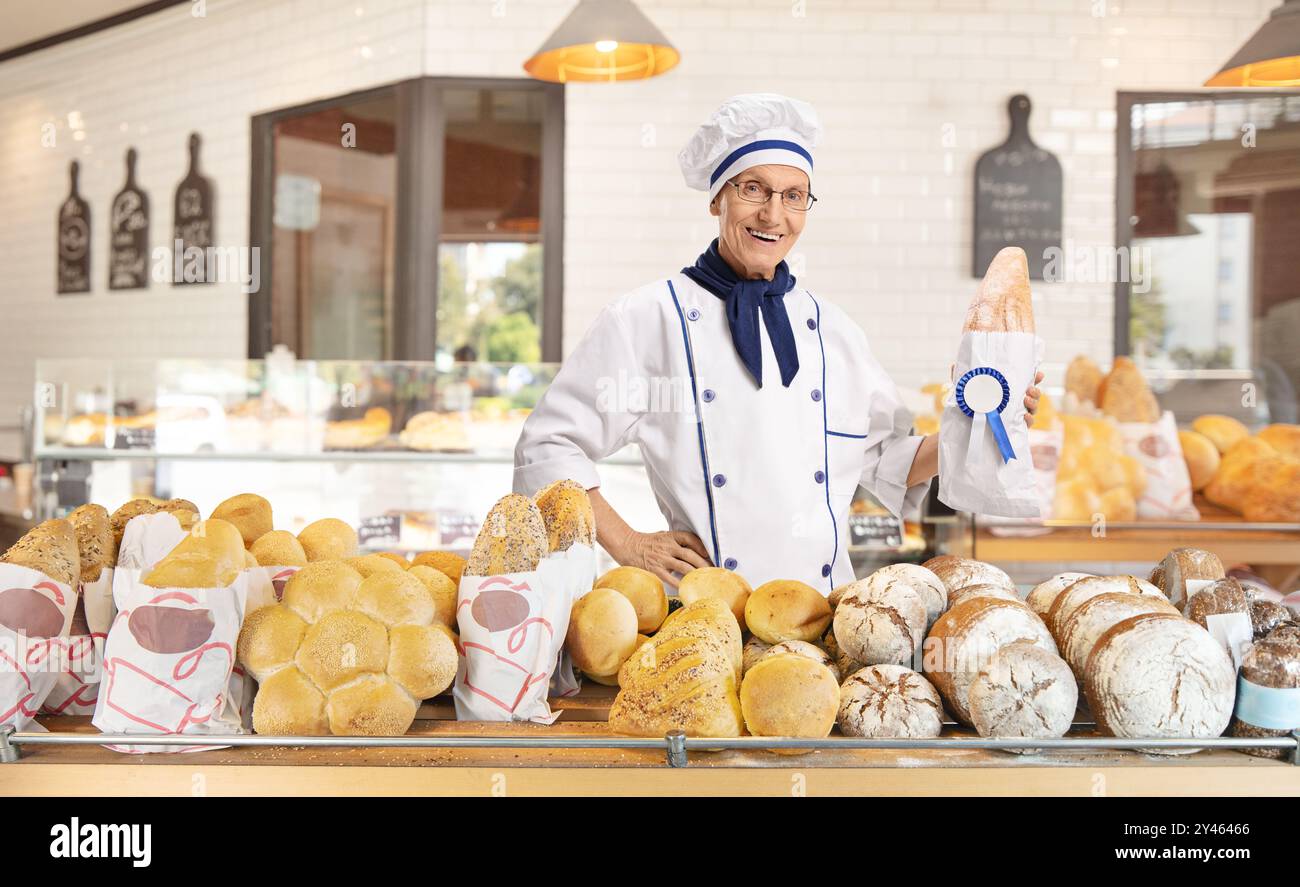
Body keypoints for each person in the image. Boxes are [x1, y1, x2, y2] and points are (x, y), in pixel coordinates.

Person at [514, 94, 1041, 592]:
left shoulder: (832, 328)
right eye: (752, 189)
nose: (773, 215)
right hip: (710, 618)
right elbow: (548, 445)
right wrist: (629, 544)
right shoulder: (646, 319)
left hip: (828, 616)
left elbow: (885, 459)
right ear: (718, 197)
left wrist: (980, 419)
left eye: (793, 196)